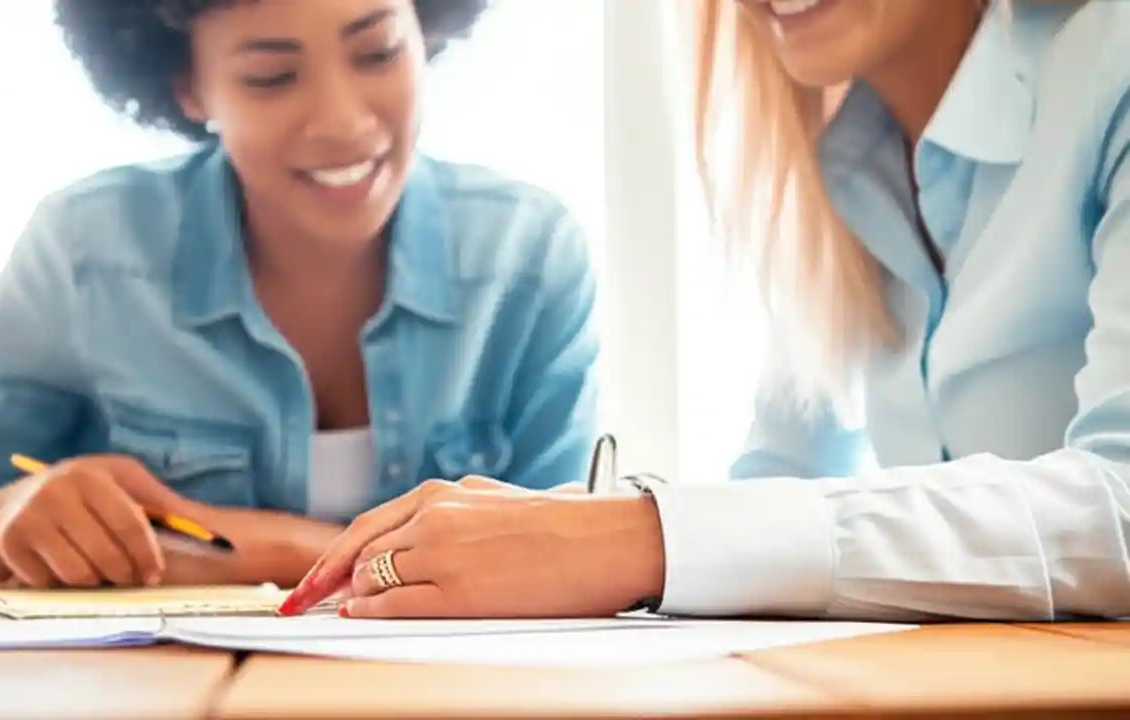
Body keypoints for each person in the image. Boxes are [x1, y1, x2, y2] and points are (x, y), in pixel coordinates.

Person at [280, 0, 1130, 621]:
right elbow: (781, 484)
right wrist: (578, 547)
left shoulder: (1110, 66)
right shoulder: (838, 170)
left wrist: (639, 539)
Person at [0, 0, 599, 596]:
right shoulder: (87, 253)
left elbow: (568, 570)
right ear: (189, 87)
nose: (342, 120)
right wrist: (2, 523)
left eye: (377, 52)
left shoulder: (525, 260)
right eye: (271, 77)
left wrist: (263, 548)